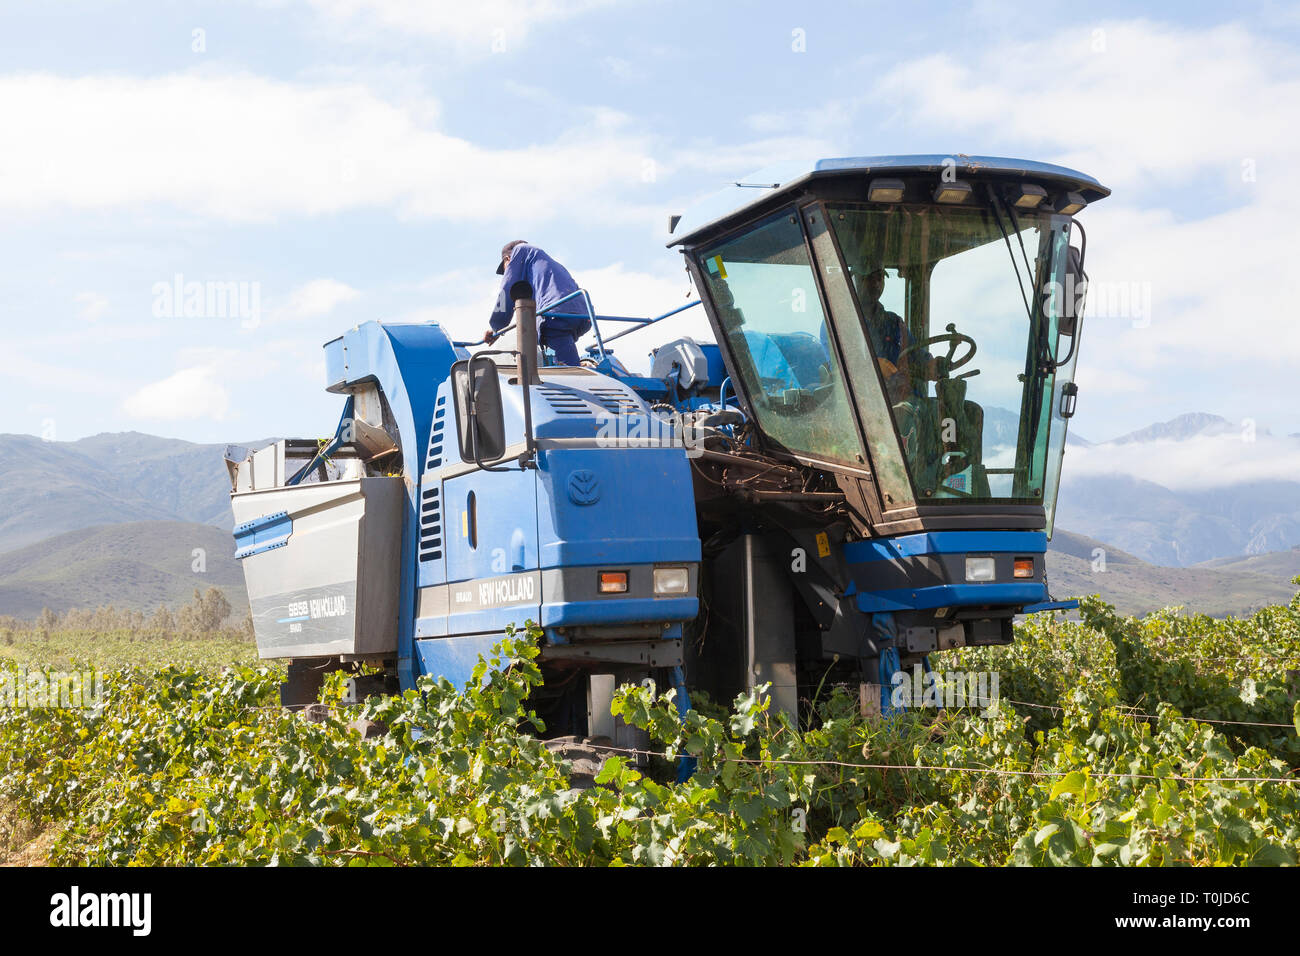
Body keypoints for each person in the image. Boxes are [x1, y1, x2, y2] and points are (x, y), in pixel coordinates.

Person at [485, 240, 591, 366]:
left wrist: (497, 327)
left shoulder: (520, 250)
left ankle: (574, 374)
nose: (506, 273)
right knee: (561, 346)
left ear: (508, 259)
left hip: (557, 313)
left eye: (505, 270)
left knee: (568, 369)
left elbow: (506, 290)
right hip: (582, 314)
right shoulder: (543, 265)